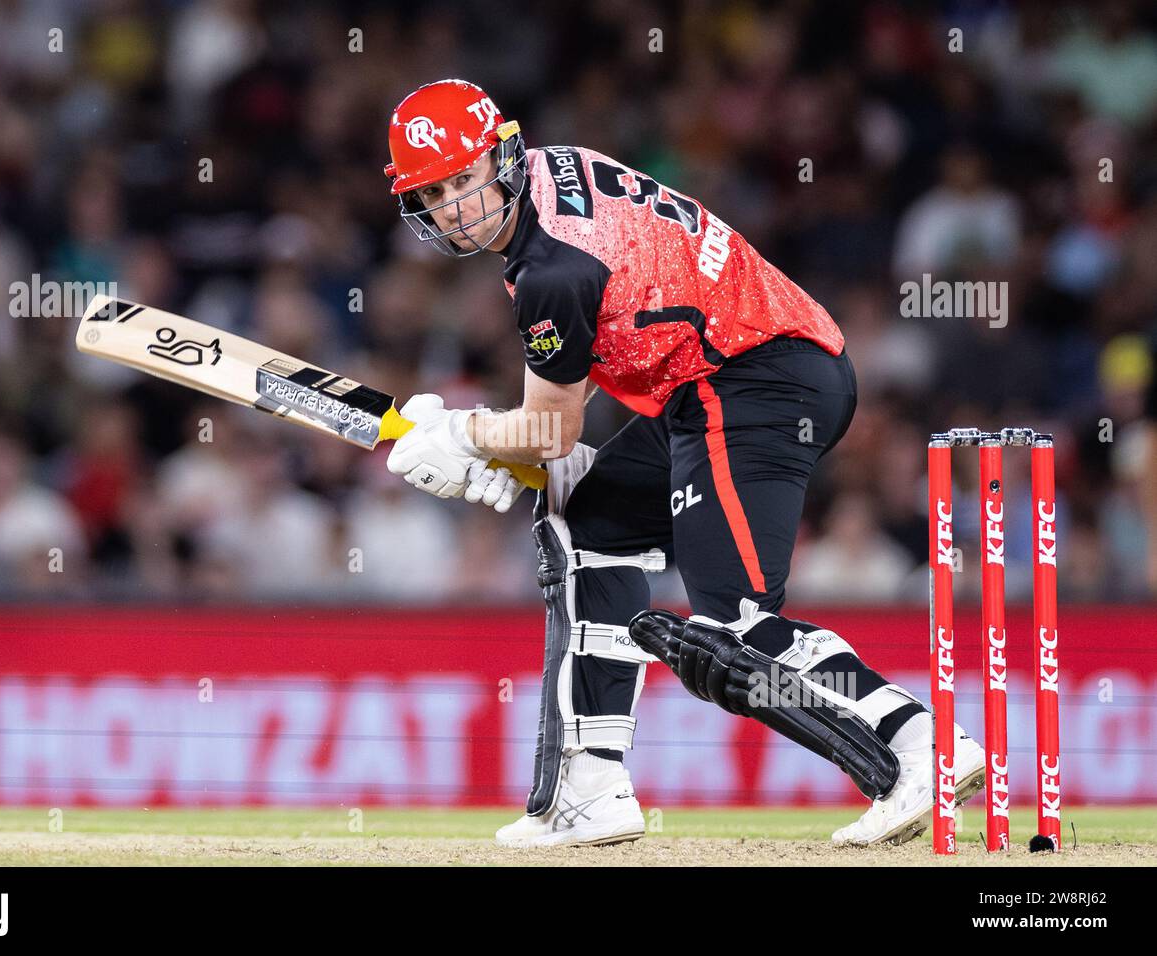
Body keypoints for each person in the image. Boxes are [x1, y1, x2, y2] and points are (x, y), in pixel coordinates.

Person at [382, 78, 985, 848]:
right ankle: (589, 789)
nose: (457, 207)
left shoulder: (550, 270)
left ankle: (918, 745)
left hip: (755, 380)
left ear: (504, 153)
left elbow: (552, 429)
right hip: (712, 384)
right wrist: (507, 444)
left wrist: (466, 435)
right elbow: (568, 408)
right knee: (588, 522)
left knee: (734, 625)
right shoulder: (553, 175)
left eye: (465, 179)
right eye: (434, 193)